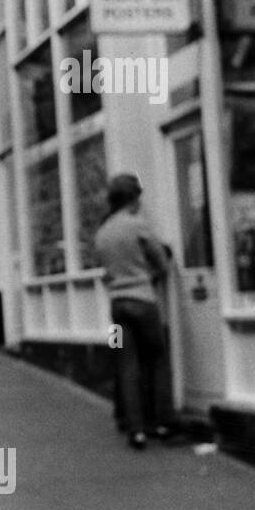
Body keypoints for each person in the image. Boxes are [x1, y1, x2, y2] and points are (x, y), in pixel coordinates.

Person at [94, 173, 175, 450]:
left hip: (117, 307)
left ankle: (136, 430)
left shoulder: (103, 232)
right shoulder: (137, 225)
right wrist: (151, 272)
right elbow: (162, 262)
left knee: (127, 366)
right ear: (132, 198)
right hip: (143, 301)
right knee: (157, 359)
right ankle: (163, 423)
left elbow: (105, 270)